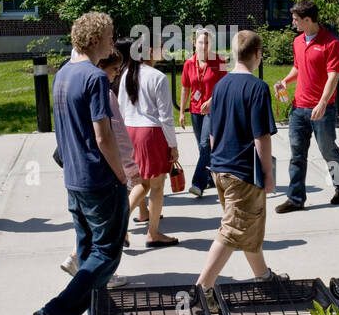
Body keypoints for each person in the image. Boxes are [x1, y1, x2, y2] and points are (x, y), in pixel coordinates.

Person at [34, 12, 129, 315]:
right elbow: (103, 137)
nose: (113, 42)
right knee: (106, 254)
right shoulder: (94, 78)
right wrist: (122, 175)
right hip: (100, 180)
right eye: (110, 36)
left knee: (89, 254)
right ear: (94, 41)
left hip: (74, 181)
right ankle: (55, 314)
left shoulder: (62, 75)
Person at [196, 30, 286, 307]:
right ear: (258, 55)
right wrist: (268, 174)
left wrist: (215, 160)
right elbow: (261, 136)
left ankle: (263, 276)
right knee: (234, 229)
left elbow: (212, 131)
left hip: (220, 167)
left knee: (249, 226)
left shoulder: (221, 85)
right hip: (242, 172)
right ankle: (202, 290)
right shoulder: (257, 88)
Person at [60, 46, 143, 280]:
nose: (117, 74)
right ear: (100, 67)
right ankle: (98, 280)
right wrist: (126, 170)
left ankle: (82, 268)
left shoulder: (67, 79)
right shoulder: (102, 91)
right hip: (102, 173)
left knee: (87, 233)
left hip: (76, 173)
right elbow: (112, 136)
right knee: (104, 240)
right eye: (115, 69)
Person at [273, 0, 339, 213]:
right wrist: (285, 81)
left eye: (296, 19)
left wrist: (323, 103)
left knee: (329, 151)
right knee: (297, 154)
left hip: (322, 110)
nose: (293, 22)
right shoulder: (298, 41)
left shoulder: (330, 43)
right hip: (299, 109)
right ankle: (295, 198)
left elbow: (333, 76)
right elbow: (298, 67)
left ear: (308, 20)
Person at [116, 39, 179, 247]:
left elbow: (120, 108)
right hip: (151, 134)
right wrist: (173, 145)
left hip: (131, 131)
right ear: (150, 51)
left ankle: (120, 228)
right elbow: (165, 117)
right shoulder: (157, 77)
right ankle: (153, 233)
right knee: (156, 186)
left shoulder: (126, 74)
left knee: (140, 184)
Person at [179, 30, 227, 198]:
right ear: (194, 44)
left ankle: (198, 184)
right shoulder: (189, 64)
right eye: (200, 42)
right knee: (203, 147)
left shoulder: (219, 61)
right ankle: (212, 176)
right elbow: (185, 88)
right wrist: (181, 112)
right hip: (195, 109)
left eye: (207, 43)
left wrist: (212, 100)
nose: (204, 46)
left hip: (213, 110)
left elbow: (223, 87)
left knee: (206, 144)